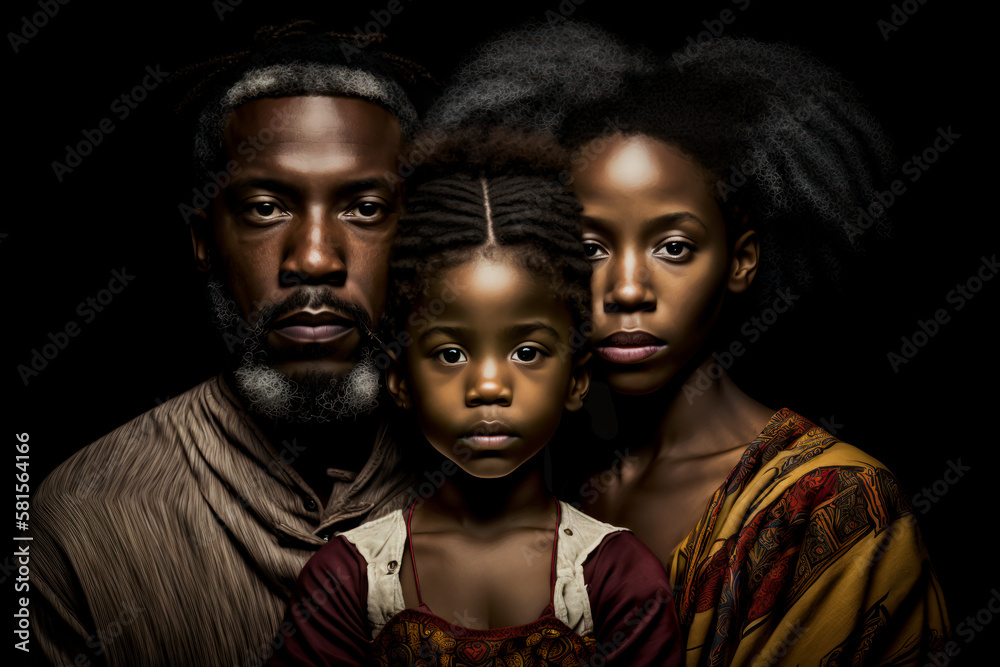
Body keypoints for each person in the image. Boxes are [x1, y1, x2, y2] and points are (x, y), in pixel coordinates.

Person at [423, 24, 950, 666]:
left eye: (673, 248)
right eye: (591, 248)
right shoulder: (517, 469)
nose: (627, 288)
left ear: (741, 260)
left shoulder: (830, 507)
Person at [30, 23, 435, 666]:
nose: (314, 258)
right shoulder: (78, 525)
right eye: (266, 208)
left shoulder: (508, 480)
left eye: (364, 208)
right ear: (202, 240)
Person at [266, 129, 683, 666]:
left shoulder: (617, 578)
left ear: (577, 379)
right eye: (450, 354)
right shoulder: (349, 579)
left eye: (528, 352)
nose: (489, 386)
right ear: (399, 379)